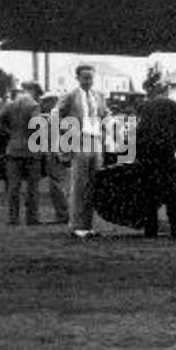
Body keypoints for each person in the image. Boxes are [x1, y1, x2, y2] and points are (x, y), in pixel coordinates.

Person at [58, 63, 109, 238]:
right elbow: (56, 115)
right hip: (79, 142)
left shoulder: (99, 96)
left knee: (93, 186)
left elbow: (105, 114)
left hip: (96, 142)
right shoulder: (70, 96)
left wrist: (107, 126)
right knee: (79, 185)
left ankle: (88, 226)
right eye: (85, 77)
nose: (89, 81)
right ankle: (76, 226)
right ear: (78, 78)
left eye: (91, 77)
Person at [135, 94, 176, 238]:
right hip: (166, 153)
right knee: (171, 194)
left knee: (149, 194)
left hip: (147, 154)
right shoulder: (173, 106)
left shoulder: (145, 107)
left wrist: (139, 153)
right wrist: (173, 147)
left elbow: (139, 131)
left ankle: (150, 230)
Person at [0, 82, 44, 225]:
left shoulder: (10, 105)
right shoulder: (34, 106)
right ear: (34, 92)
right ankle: (32, 217)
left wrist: (9, 132)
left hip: (13, 148)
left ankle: (13, 217)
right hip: (31, 150)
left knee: (13, 187)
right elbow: (38, 127)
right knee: (32, 188)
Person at [38, 94, 70, 224]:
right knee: (60, 184)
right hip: (58, 152)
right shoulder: (60, 115)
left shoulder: (56, 115)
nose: (41, 105)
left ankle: (63, 214)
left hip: (56, 153)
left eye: (44, 102)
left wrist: (59, 153)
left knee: (56, 184)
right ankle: (64, 213)